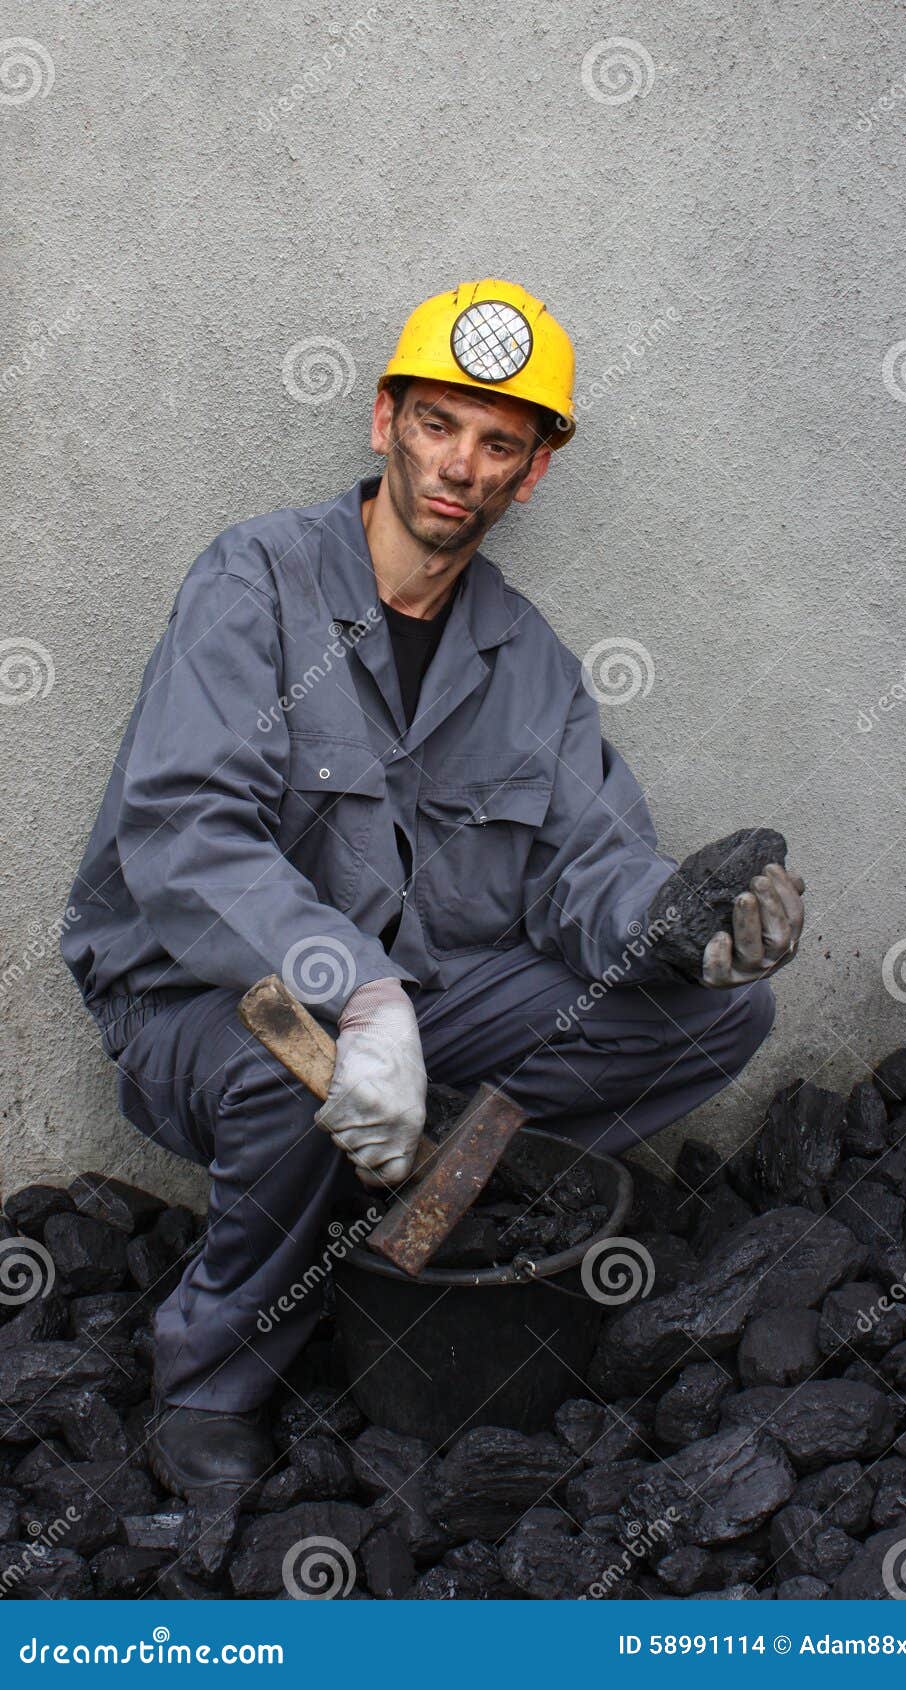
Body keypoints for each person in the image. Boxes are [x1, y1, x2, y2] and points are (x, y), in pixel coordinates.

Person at [60, 279, 804, 1497]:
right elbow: (184, 830)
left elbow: (586, 868)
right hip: (202, 1007)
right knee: (290, 1065)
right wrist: (356, 990)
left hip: (429, 1011)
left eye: (498, 444)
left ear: (532, 474)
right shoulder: (255, 583)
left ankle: (416, 1174)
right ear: (383, 421)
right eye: (436, 424)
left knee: (718, 1012)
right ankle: (212, 1371)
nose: (460, 465)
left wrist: (678, 926)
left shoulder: (528, 662)